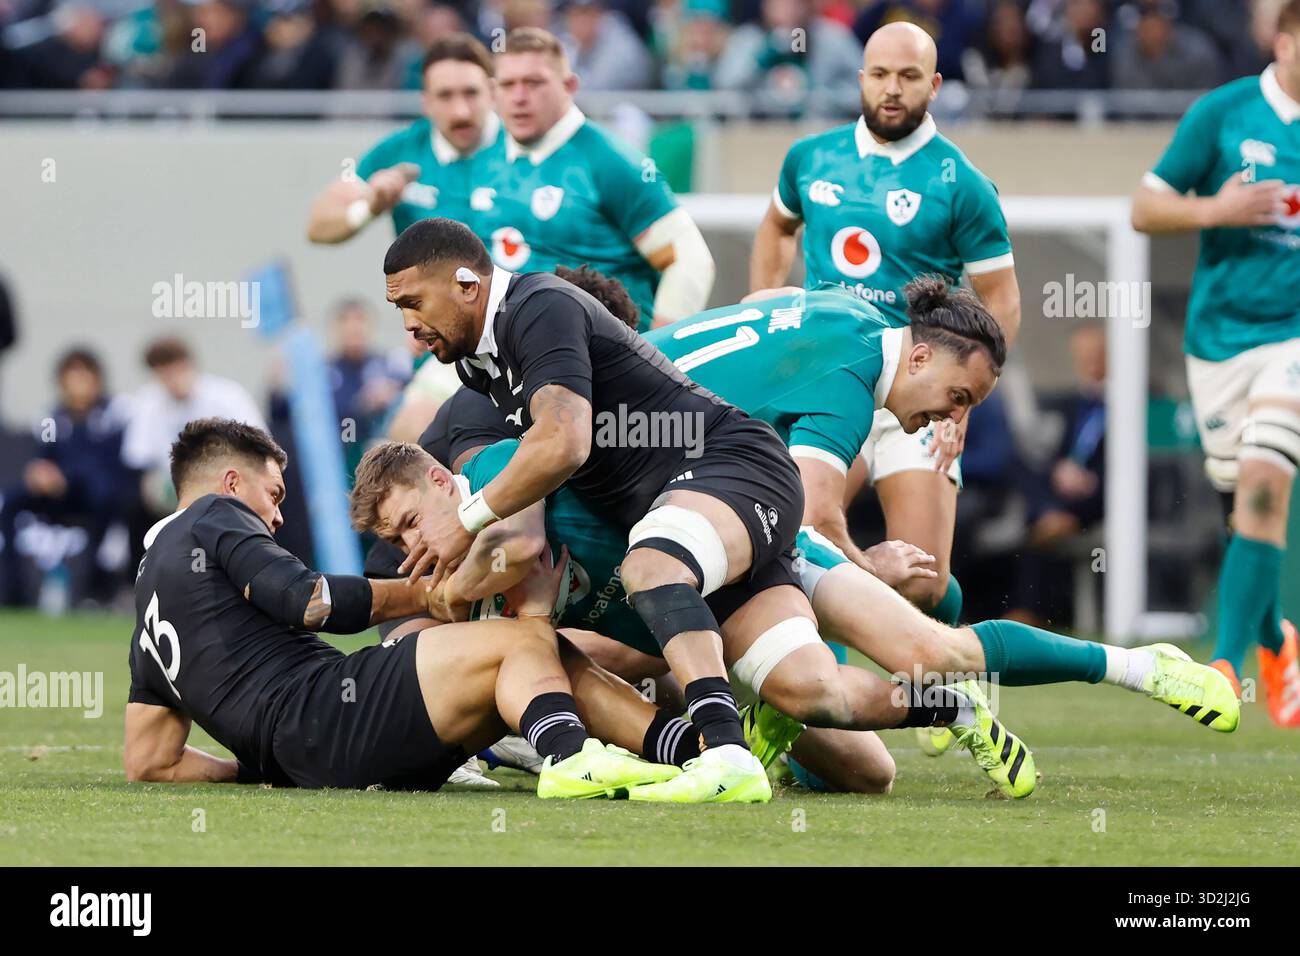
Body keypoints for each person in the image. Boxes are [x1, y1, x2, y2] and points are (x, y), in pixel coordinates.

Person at [383, 217, 811, 802]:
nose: (409, 326)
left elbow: (562, 443)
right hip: (677, 516)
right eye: (398, 309)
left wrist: (466, 524)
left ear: (466, 284)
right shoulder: (475, 364)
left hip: (732, 468)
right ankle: (952, 707)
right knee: (832, 709)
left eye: (413, 303)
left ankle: (726, 756)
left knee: (648, 573)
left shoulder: (538, 307)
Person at [350, 437, 1034, 798]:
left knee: (846, 675)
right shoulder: (463, 567)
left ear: (444, 484)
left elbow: (522, 558)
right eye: (397, 542)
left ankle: (975, 695)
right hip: (685, 644)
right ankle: (943, 710)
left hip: (748, 566)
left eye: (412, 523)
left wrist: (463, 604)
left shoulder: (508, 471)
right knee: (868, 772)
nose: (412, 547)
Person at [123, 417, 682, 797]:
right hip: (333, 712)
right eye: (273, 496)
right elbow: (310, 602)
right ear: (229, 483)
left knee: (535, 652)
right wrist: (429, 594)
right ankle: (570, 757)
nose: (275, 518)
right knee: (523, 638)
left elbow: (150, 761)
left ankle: (689, 751)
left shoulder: (148, 612)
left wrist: (257, 768)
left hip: (317, 759)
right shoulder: (214, 515)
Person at [750, 21, 1021, 626]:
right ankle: (812, 697)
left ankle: (948, 687)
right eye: (880, 75)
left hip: (915, 390)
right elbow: (776, 226)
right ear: (860, 79)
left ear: (936, 84)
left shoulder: (963, 183)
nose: (892, 89)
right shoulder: (810, 157)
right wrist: (765, 303)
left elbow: (1001, 299)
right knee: (793, 546)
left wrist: (963, 405)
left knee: (923, 580)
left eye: (908, 76)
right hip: (828, 382)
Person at [1130, 0, 1300, 727]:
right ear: (1284, 40)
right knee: (1243, 508)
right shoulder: (1224, 113)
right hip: (1219, 342)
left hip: (1292, 340)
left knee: (1265, 482)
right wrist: (1216, 210)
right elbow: (1145, 207)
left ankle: (1225, 665)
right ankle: (1275, 637)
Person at [472, 27, 714, 329]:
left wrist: (660, 353)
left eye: (534, 83)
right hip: (516, 358)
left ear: (569, 86)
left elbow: (690, 260)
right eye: (508, 85)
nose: (519, 97)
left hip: (602, 362)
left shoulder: (611, 162)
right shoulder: (485, 159)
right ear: (494, 92)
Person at [307, 32, 501, 244]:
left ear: (492, 92)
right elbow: (318, 226)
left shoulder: (525, 146)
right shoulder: (400, 150)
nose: (460, 112)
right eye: (445, 96)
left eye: (471, 93)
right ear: (426, 103)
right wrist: (370, 207)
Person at [1, 349, 130, 607]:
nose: (78, 384)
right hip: (55, 494)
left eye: (85, 376)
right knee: (9, 502)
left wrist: (67, 478)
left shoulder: (112, 416)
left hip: (94, 493)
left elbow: (106, 465)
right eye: (72, 376)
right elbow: (44, 454)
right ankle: (10, 588)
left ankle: (98, 587)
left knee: (109, 497)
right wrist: (40, 474)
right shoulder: (52, 419)